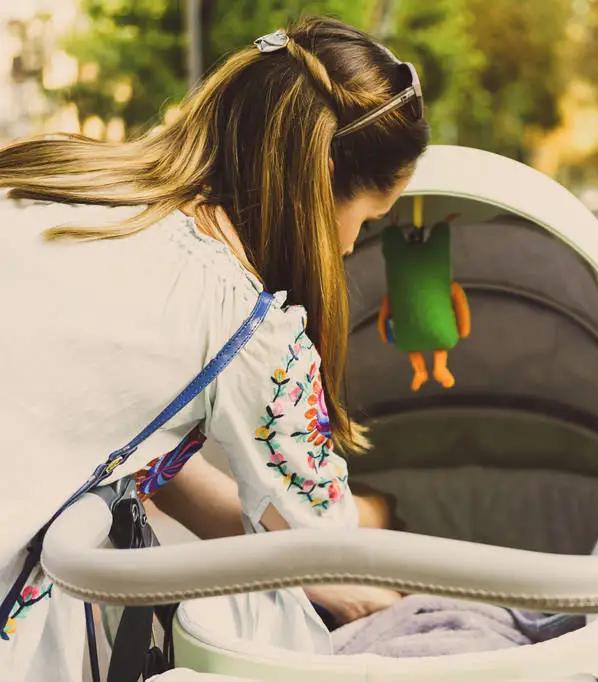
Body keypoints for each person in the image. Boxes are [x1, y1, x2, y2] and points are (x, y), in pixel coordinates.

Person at [0, 16, 428, 680]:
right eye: (365, 219)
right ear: (321, 179)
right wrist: (365, 533)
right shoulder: (246, 326)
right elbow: (323, 543)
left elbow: (124, 439)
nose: (349, 248)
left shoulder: (65, 180)